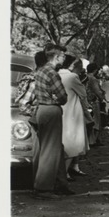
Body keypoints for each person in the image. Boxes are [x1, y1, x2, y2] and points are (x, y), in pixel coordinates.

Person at [29, 44, 71, 197]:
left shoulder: (40, 71)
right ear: (56, 57)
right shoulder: (52, 73)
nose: (64, 58)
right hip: (51, 110)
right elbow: (63, 96)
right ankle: (44, 188)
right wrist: (57, 98)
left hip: (41, 110)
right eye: (62, 56)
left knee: (53, 148)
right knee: (50, 150)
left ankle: (60, 184)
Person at [59, 55, 91, 180]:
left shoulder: (57, 74)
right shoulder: (72, 77)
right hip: (72, 112)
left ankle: (68, 169)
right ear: (72, 66)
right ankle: (65, 172)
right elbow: (83, 93)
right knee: (73, 141)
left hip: (61, 110)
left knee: (64, 141)